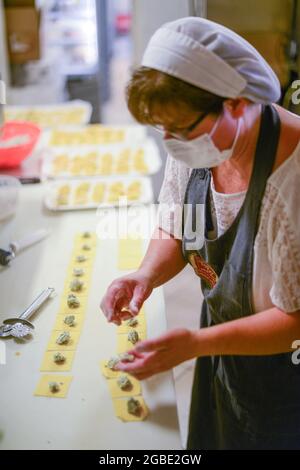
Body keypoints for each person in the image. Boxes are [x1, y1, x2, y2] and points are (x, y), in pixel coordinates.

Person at [100, 17, 300, 449]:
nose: (171, 141)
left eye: (181, 128)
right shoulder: (199, 141)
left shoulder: (291, 183)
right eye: (162, 129)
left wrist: (197, 343)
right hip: (221, 344)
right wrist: (145, 275)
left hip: (284, 379)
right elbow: (181, 225)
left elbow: (296, 320)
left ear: (236, 102)